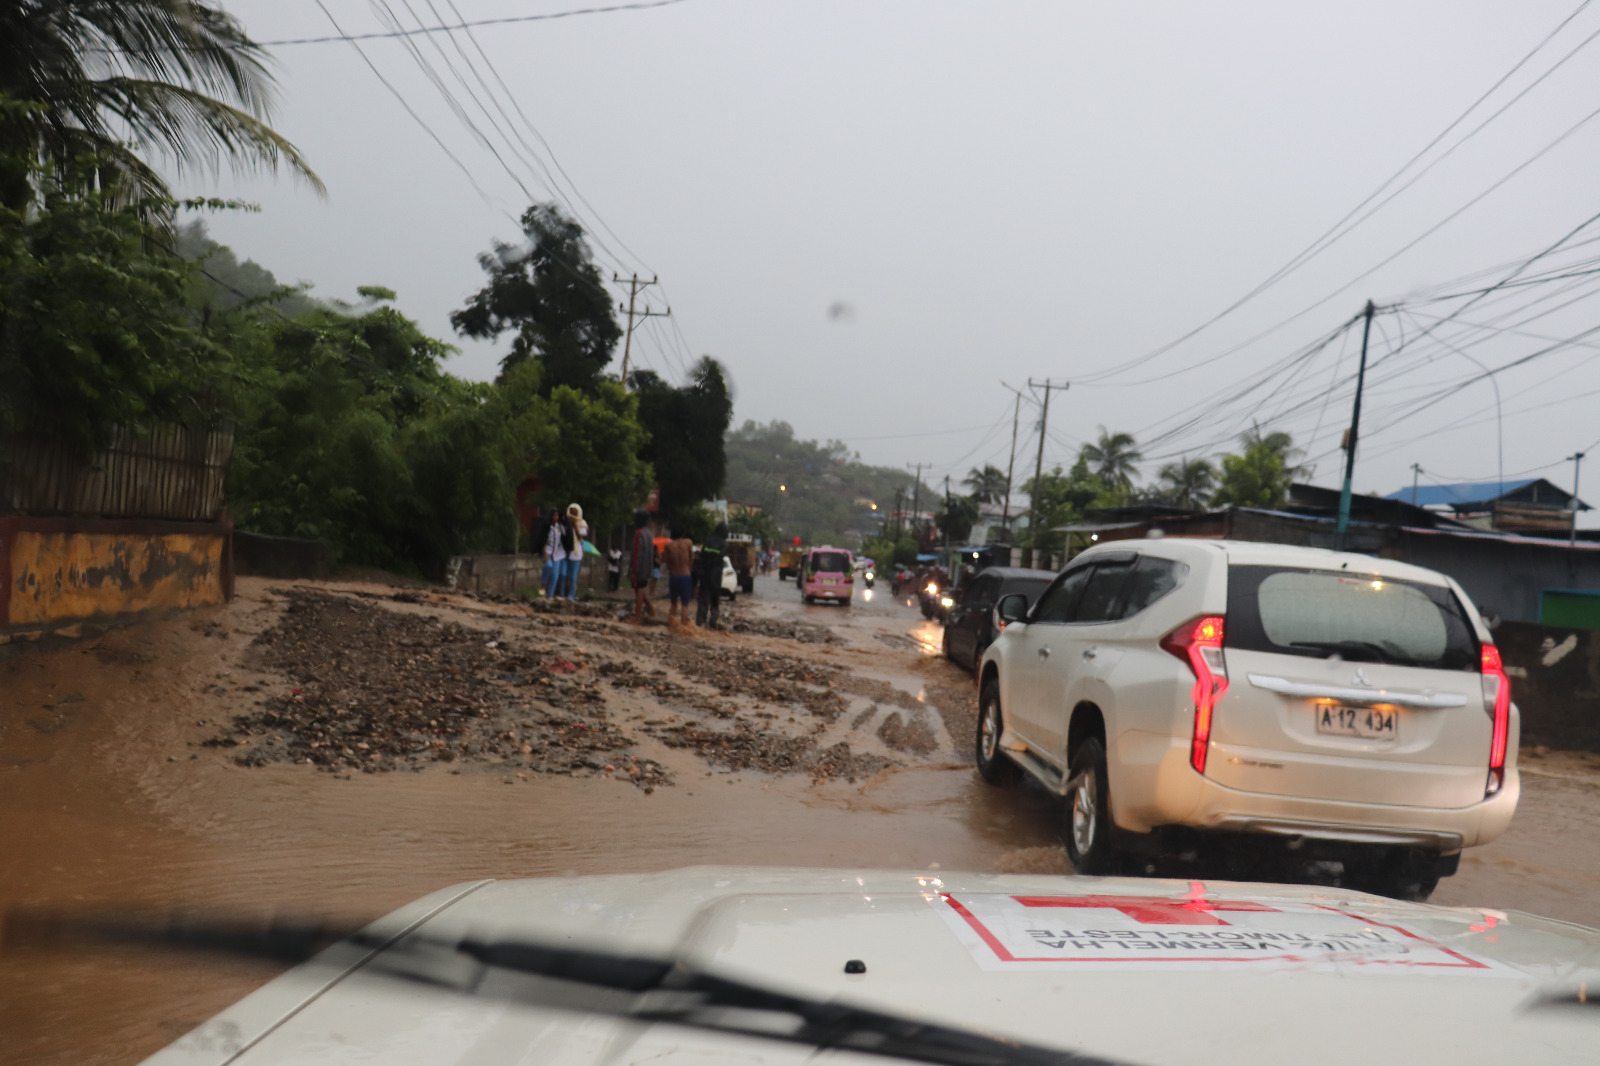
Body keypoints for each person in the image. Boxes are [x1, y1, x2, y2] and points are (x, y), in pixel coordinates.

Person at [695, 521, 729, 630]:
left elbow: (703, 556)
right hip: (716, 576)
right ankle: (713, 625)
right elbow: (719, 558)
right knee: (715, 601)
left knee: (703, 600)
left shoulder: (708, 540)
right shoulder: (724, 544)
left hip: (705, 574)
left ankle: (700, 624)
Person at [662, 525, 695, 627]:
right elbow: (691, 560)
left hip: (674, 576)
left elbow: (667, 563)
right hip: (686, 576)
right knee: (685, 604)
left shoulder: (668, 546)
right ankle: (683, 625)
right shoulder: (688, 543)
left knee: (673, 603)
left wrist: (672, 571)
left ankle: (671, 625)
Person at [629, 510, 657, 624]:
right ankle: (651, 609)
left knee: (639, 589)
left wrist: (634, 570)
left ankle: (637, 617)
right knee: (639, 588)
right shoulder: (649, 533)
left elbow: (637, 553)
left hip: (639, 568)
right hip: (647, 567)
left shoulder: (639, 533)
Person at [563, 503, 588, 601]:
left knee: (573, 576)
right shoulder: (565, 522)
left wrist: (574, 524)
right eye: (571, 511)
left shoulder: (582, 523)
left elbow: (580, 536)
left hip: (576, 554)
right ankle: (563, 593)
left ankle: (571, 595)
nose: (572, 514)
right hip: (565, 553)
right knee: (565, 575)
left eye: (575, 512)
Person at [541, 511, 568, 598]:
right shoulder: (546, 527)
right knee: (548, 566)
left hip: (557, 554)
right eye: (554, 515)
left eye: (557, 516)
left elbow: (567, 536)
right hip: (547, 551)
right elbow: (541, 541)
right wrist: (544, 553)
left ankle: (550, 596)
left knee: (555, 576)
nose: (556, 517)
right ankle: (543, 584)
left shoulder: (559, 527)